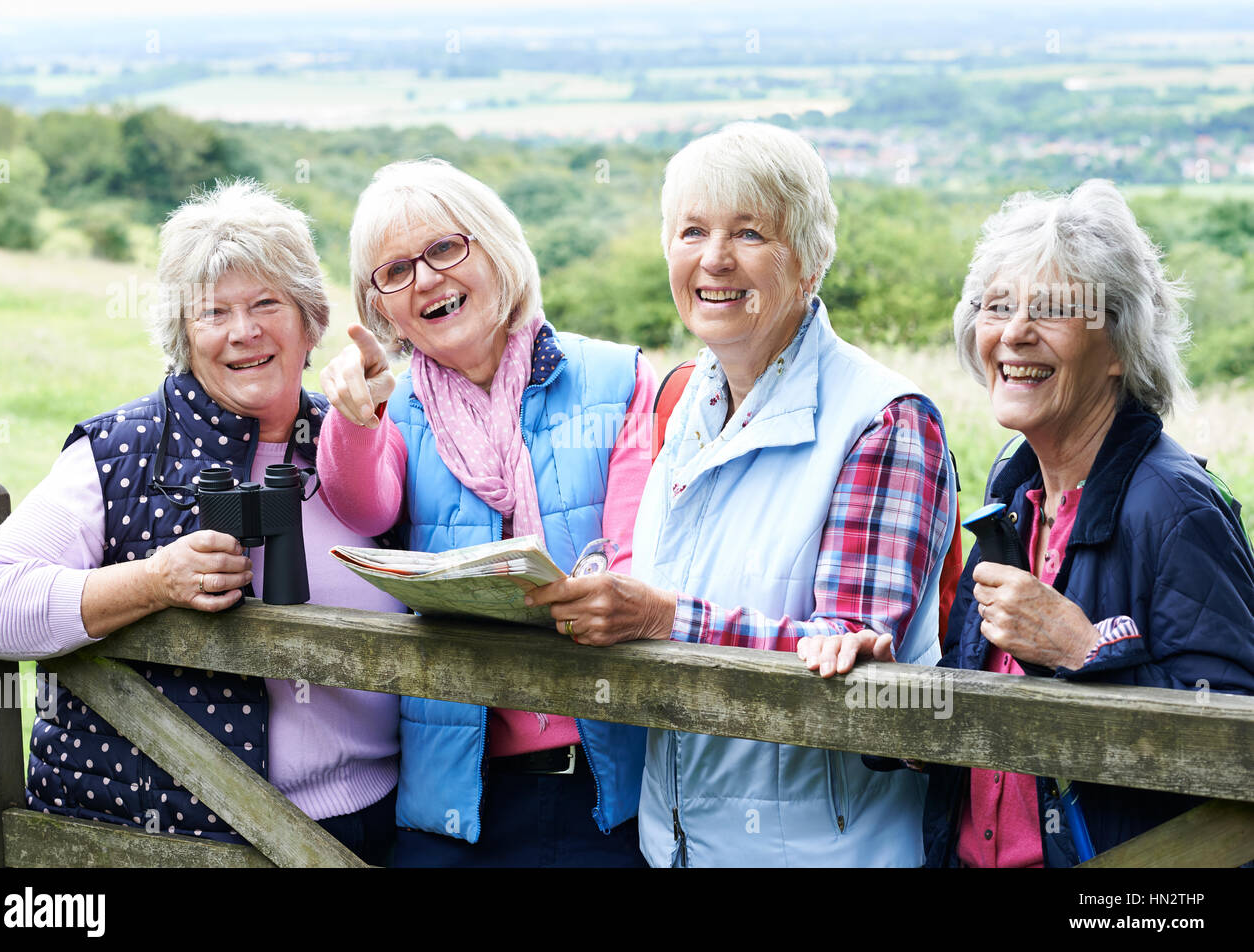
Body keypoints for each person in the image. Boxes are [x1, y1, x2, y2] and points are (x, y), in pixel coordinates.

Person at [524, 122, 958, 867]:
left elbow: (850, 661)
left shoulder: (883, 421)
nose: (714, 259)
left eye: (750, 233)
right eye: (691, 231)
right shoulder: (681, 400)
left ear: (811, 262)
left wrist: (660, 617)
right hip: (675, 847)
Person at [0, 180, 402, 864]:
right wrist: (155, 580)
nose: (244, 330)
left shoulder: (367, 439)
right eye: (214, 311)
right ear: (182, 333)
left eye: (266, 303)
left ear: (311, 321)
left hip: (375, 827)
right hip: (175, 839)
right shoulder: (124, 451)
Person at [902, 178, 1254, 866]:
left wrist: (1084, 648)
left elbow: (1236, 734)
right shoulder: (1014, 493)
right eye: (997, 307)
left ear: (1120, 345)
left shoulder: (1175, 507)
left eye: (1054, 310)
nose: (1014, 333)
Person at [315, 158, 656, 866]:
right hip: (453, 793)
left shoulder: (617, 377)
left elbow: (633, 558)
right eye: (396, 270)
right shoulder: (400, 407)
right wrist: (354, 417)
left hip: (600, 785)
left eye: (445, 249)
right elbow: (361, 503)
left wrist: (596, 594)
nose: (428, 279)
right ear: (382, 307)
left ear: (497, 250)